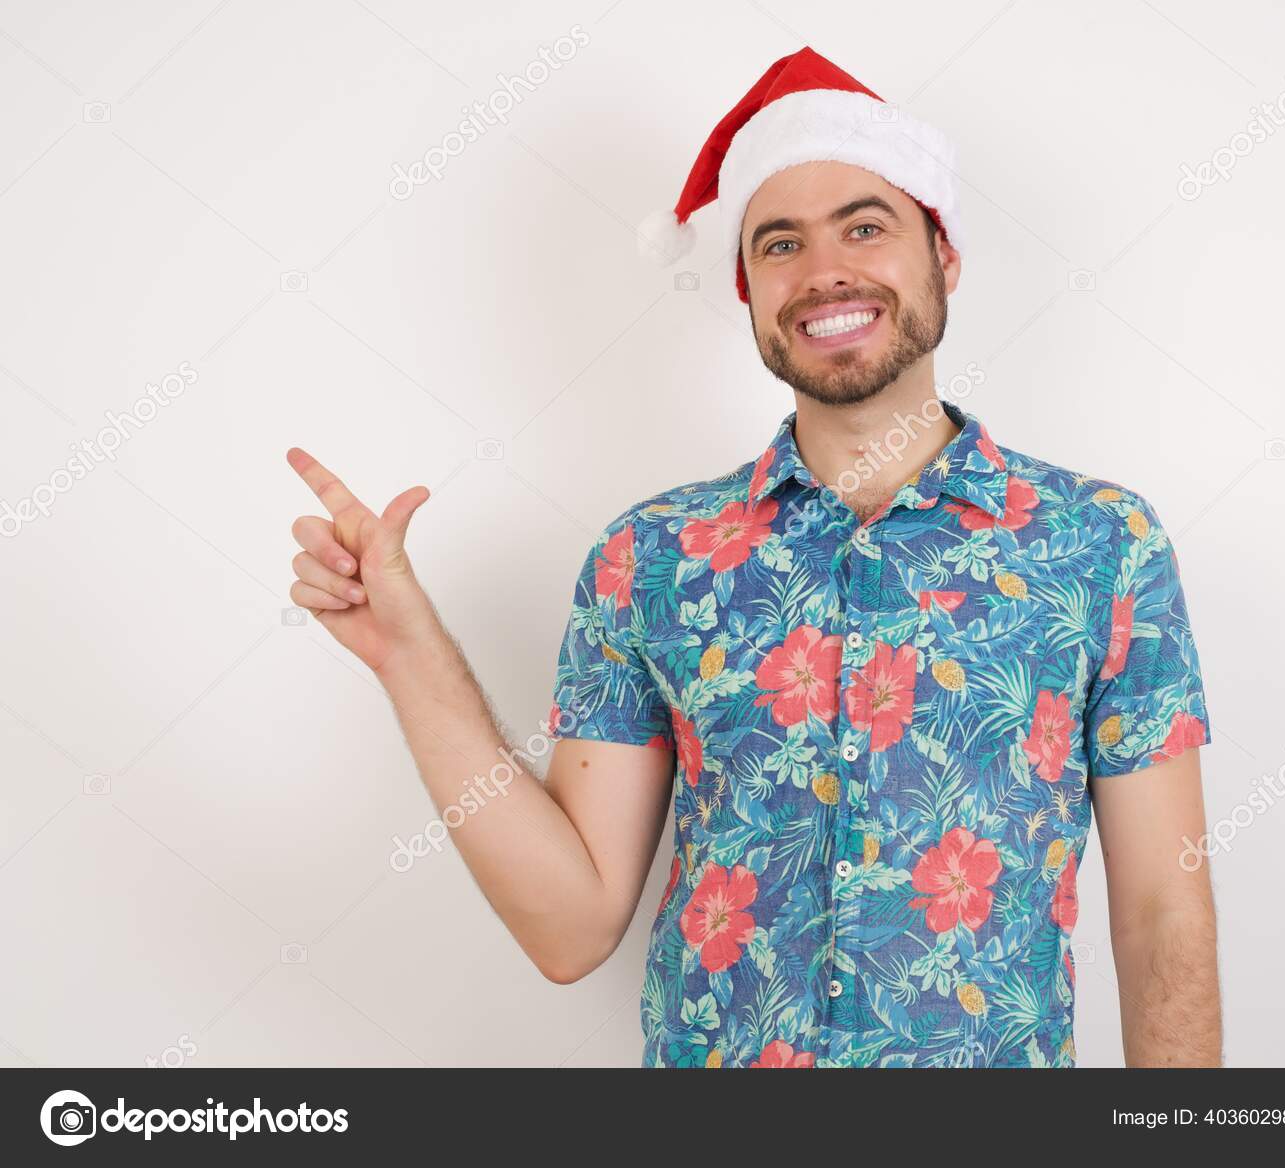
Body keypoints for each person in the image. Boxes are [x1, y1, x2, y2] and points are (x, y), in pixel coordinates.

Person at [285, 47, 1220, 1068]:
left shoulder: (1100, 544)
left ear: (942, 257)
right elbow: (570, 926)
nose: (824, 270)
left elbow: (1161, 912)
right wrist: (408, 656)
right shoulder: (649, 560)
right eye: (781, 243)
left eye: (866, 226)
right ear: (747, 290)